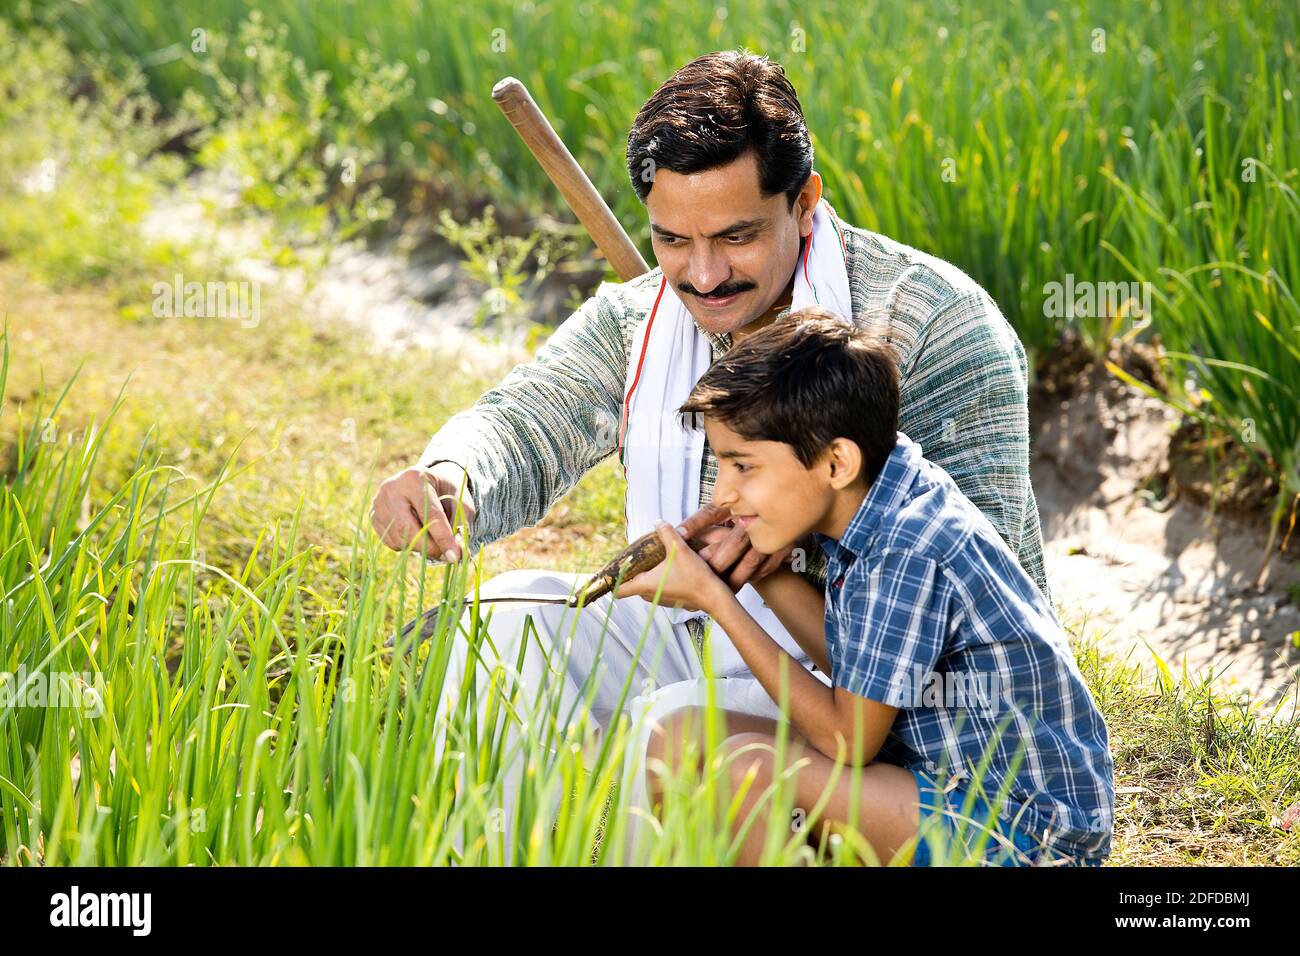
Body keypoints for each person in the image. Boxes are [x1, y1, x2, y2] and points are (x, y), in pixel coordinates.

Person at [369, 49, 1051, 861]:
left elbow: (981, 586)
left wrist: (778, 556)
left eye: (736, 236)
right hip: (697, 628)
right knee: (504, 625)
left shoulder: (932, 324)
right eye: (672, 239)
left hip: (882, 699)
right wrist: (453, 476)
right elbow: (527, 417)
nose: (703, 275)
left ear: (804, 203)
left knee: (679, 725)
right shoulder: (643, 317)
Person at [615, 308, 1114, 866]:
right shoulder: (874, 497)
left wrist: (716, 600)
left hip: (1024, 834)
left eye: (743, 467)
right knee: (678, 737)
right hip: (928, 782)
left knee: (748, 769)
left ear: (836, 462)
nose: (722, 494)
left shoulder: (909, 543)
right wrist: (764, 570)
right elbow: (861, 675)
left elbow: (846, 740)